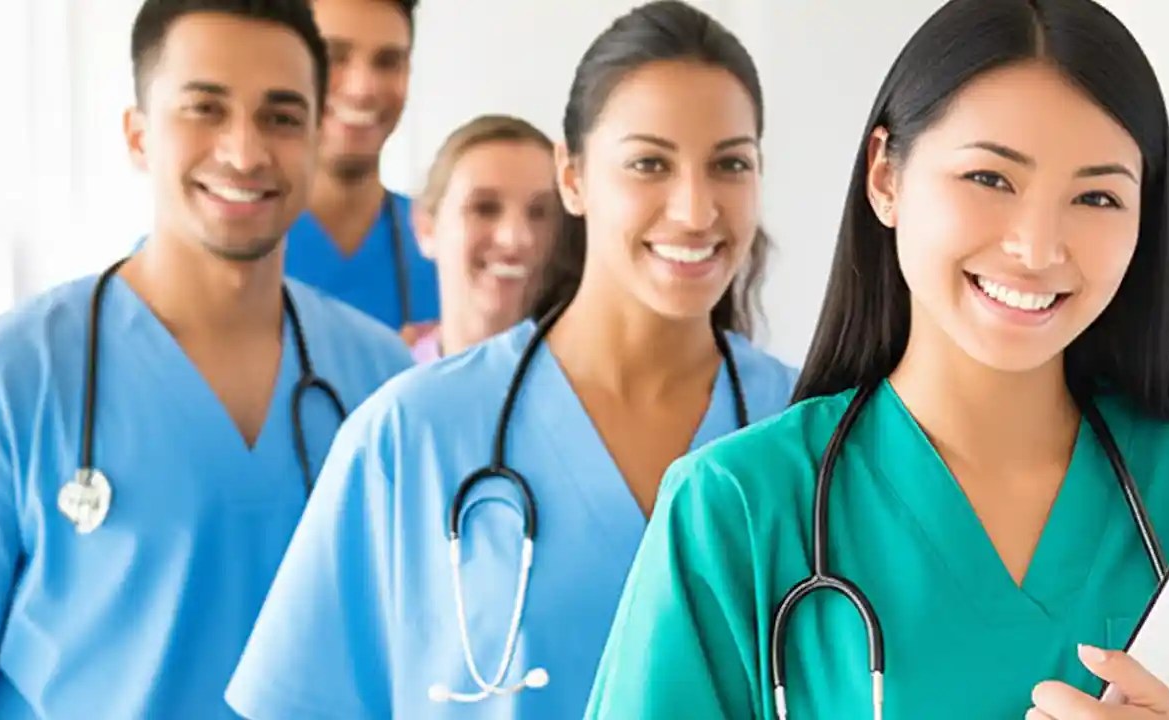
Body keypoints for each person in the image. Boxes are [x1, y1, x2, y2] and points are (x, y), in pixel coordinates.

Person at [583, 0, 1169, 719]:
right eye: (990, 179)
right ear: (885, 175)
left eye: (1096, 196)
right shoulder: (737, 509)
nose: (1037, 249)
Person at [224, 2, 797, 718]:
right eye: (649, 163)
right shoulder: (411, 434)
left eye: (730, 164)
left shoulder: (810, 437)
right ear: (573, 177)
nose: (694, 209)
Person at [0, 1, 413, 717]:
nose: (244, 152)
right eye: (204, 109)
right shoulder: (17, 377)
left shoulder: (384, 382)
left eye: (282, 117)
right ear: (138, 136)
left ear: (315, 140)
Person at [284, 0, 440, 339]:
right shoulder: (219, 251)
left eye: (388, 62)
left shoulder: (452, 249)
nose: (363, 89)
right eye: (333, 56)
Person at [408, 114, 560, 363]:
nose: (515, 238)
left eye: (539, 212)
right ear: (426, 228)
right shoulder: (378, 377)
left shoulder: (590, 385)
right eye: (485, 208)